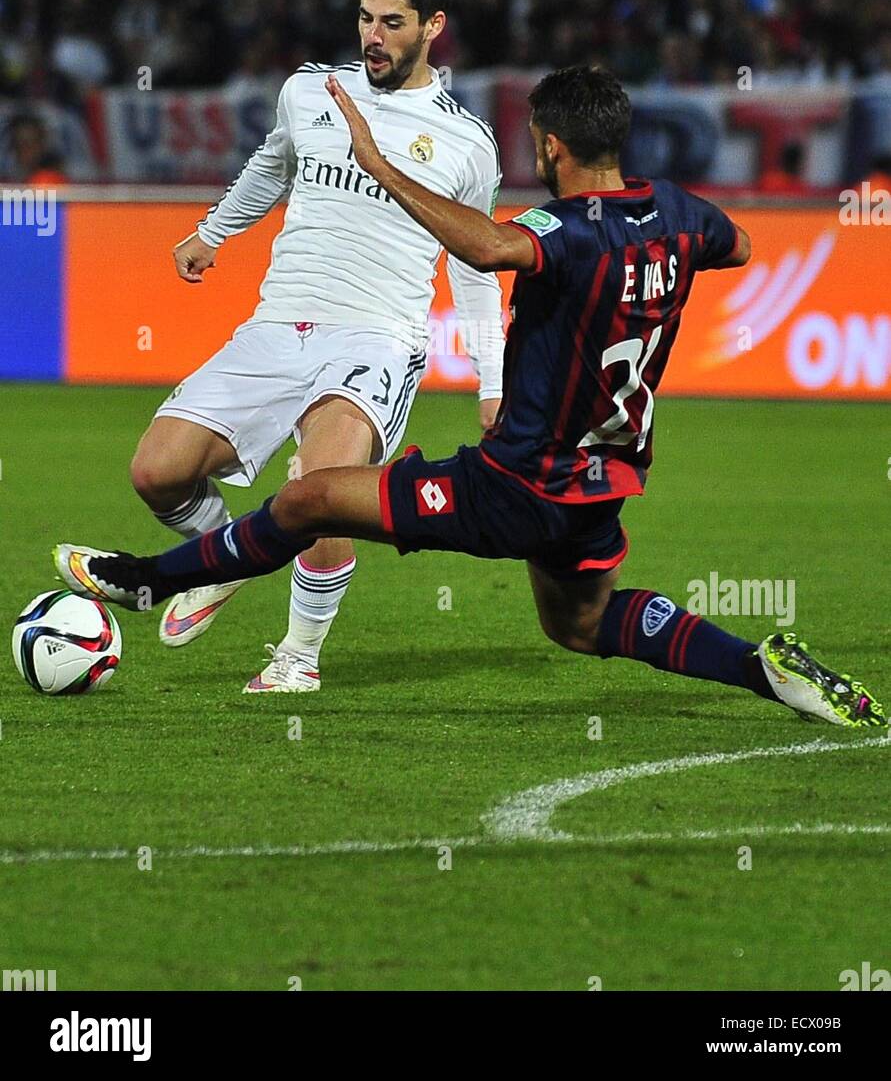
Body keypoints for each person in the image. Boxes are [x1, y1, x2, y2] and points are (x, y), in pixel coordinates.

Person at [56, 65, 885, 730]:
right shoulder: (674, 212)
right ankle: (757, 668)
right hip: (601, 486)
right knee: (580, 625)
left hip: (515, 482)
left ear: (552, 144)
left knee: (309, 498)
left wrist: (379, 168)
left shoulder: (568, 233)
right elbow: (735, 244)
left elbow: (491, 247)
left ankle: (148, 581)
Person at [127, 0, 504, 692]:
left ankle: (297, 658)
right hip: (277, 324)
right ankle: (225, 556)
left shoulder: (466, 143)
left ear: (432, 25)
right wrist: (214, 231)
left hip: (375, 336)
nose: (373, 35)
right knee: (155, 472)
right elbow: (272, 165)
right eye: (364, 17)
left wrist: (490, 381)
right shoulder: (310, 92)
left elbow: (476, 266)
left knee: (326, 487)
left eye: (392, 22)